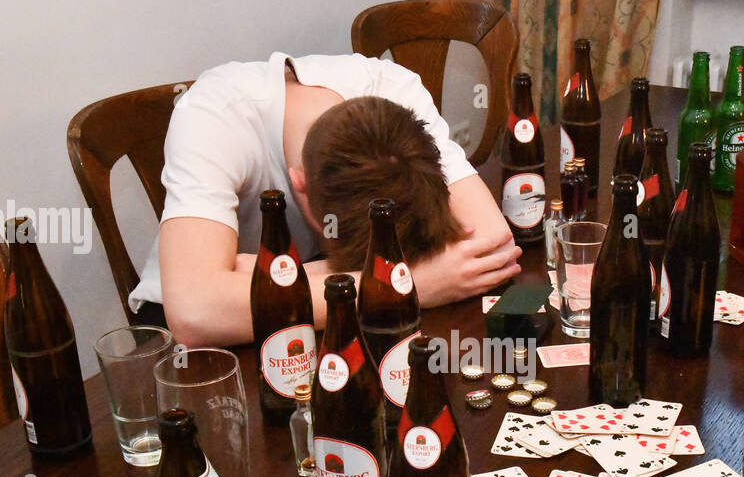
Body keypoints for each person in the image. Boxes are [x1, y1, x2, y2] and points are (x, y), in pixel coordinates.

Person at [130, 52, 522, 345]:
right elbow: (197, 311)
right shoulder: (214, 115)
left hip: (297, 309)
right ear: (298, 185)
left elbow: (492, 242)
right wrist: (403, 285)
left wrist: (258, 276)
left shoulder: (392, 90)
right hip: (200, 340)